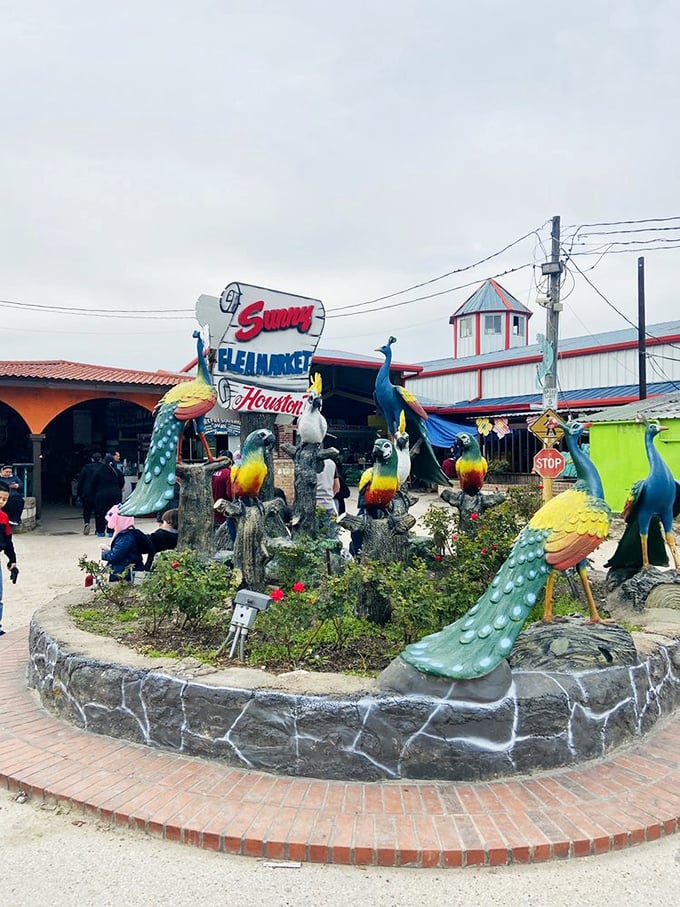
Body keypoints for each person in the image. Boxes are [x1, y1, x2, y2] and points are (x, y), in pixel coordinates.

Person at [100, 505, 145, 581]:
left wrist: (105, 552)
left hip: (124, 573)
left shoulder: (125, 537)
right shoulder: (130, 532)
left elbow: (114, 556)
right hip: (127, 570)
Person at [0, 480, 19, 636]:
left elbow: (8, 542)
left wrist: (12, 561)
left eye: (4, 499)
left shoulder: (4, 517)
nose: (1, 502)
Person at [91, 454, 125, 537]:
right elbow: (122, 482)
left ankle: (100, 531)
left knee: (100, 512)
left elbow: (93, 483)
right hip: (115, 494)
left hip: (101, 494)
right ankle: (111, 530)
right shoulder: (117, 471)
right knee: (114, 512)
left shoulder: (98, 471)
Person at [212, 450, 236, 544]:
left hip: (211, 513)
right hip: (223, 513)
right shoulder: (228, 473)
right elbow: (230, 493)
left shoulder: (211, 472)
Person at [77, 453, 101, 535]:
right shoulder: (103, 467)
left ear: (92, 459)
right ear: (100, 459)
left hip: (87, 492)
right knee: (98, 511)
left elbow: (80, 481)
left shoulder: (86, 468)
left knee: (87, 510)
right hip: (98, 492)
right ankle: (98, 529)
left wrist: (79, 493)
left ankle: (87, 523)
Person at [316, 458, 340, 536]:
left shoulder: (306, 461)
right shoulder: (331, 463)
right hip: (329, 505)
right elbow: (337, 486)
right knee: (331, 538)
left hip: (313, 507)